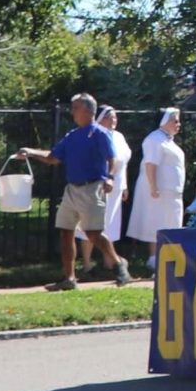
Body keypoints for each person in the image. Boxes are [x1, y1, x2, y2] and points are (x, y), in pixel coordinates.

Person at [19, 93, 132, 290]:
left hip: (92, 187)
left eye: (75, 108)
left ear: (88, 110)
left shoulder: (99, 133)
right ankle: (69, 279)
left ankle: (118, 264)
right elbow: (53, 157)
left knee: (93, 233)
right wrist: (31, 152)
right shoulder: (72, 136)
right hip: (72, 189)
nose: (72, 112)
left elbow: (111, 158)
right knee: (66, 231)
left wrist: (110, 178)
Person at [127, 108, 186, 271]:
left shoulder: (168, 141)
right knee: (155, 223)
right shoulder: (154, 139)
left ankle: (168, 257)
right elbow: (151, 164)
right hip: (159, 191)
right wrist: (153, 187)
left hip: (171, 192)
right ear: (164, 121)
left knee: (171, 223)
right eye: (175, 121)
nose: (178, 124)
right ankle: (154, 258)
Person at [75, 105, 130, 276]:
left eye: (114, 117)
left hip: (116, 187)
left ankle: (109, 261)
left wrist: (124, 186)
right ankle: (86, 264)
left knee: (110, 225)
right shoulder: (93, 135)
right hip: (98, 185)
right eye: (108, 117)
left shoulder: (119, 137)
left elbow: (123, 163)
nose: (113, 120)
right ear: (99, 119)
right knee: (92, 224)